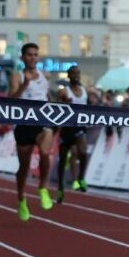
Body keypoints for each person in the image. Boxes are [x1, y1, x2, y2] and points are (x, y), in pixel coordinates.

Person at [7, 43, 54, 221]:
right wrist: (23, 86)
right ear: (22, 57)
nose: (33, 57)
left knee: (44, 152)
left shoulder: (45, 75)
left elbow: (47, 96)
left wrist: (56, 107)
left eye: (35, 54)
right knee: (24, 167)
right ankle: (21, 198)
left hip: (42, 121)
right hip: (23, 124)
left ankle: (42, 187)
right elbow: (11, 99)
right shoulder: (16, 76)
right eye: (29, 55)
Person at [55, 66, 89, 203]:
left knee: (83, 152)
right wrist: (64, 103)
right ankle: (60, 187)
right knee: (63, 159)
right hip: (66, 128)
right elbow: (56, 108)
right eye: (73, 73)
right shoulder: (64, 91)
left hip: (80, 126)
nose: (76, 75)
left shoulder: (84, 91)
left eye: (77, 73)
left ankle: (81, 177)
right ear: (68, 76)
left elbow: (91, 105)